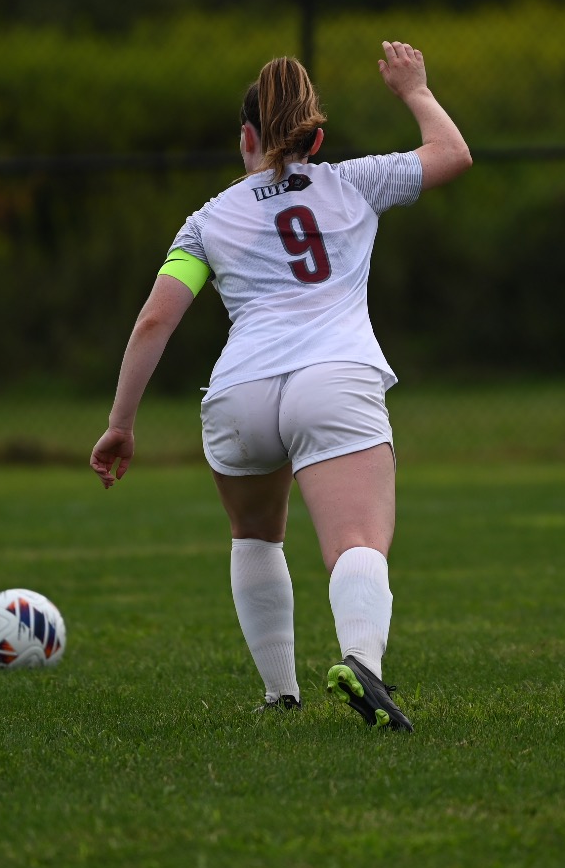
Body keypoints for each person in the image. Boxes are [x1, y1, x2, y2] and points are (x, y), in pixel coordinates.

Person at [89, 42, 472, 731]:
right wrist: (414, 90)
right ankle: (360, 661)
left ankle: (280, 694)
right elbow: (452, 155)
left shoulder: (207, 220)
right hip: (334, 379)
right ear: (315, 140)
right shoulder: (355, 182)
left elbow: (154, 321)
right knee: (356, 541)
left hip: (240, 392)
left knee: (256, 536)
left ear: (245, 138)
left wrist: (121, 423)